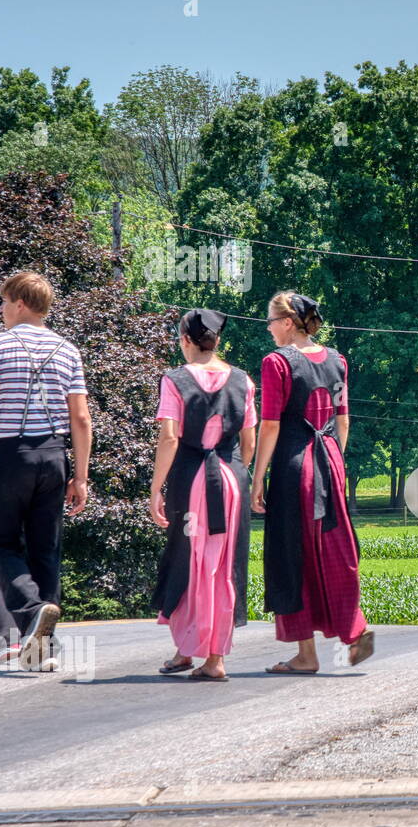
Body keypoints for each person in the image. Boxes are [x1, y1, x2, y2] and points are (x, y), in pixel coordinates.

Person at [252, 292, 373, 674]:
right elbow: (344, 419)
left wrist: (258, 478)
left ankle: (306, 655)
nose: (269, 328)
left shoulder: (276, 362)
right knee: (336, 550)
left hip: (294, 466)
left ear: (287, 322)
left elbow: (269, 425)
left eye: (271, 321)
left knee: (293, 555)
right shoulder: (338, 360)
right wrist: (335, 460)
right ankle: (354, 630)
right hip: (331, 462)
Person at [148, 310, 256, 681]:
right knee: (222, 565)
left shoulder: (175, 379)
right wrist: (238, 472)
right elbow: (249, 440)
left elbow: (169, 438)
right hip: (231, 479)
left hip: (192, 479)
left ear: (185, 340)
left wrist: (155, 487)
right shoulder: (243, 380)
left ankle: (206, 655)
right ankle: (202, 652)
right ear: (217, 341)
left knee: (192, 562)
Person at [0, 271, 91, 670]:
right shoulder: (67, 350)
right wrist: (81, 476)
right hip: (54, 455)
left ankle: (25, 618)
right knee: (44, 549)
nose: (0, 310)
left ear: (19, 303)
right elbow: (81, 417)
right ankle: (40, 649)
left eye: (2, 302)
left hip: (8, 452)